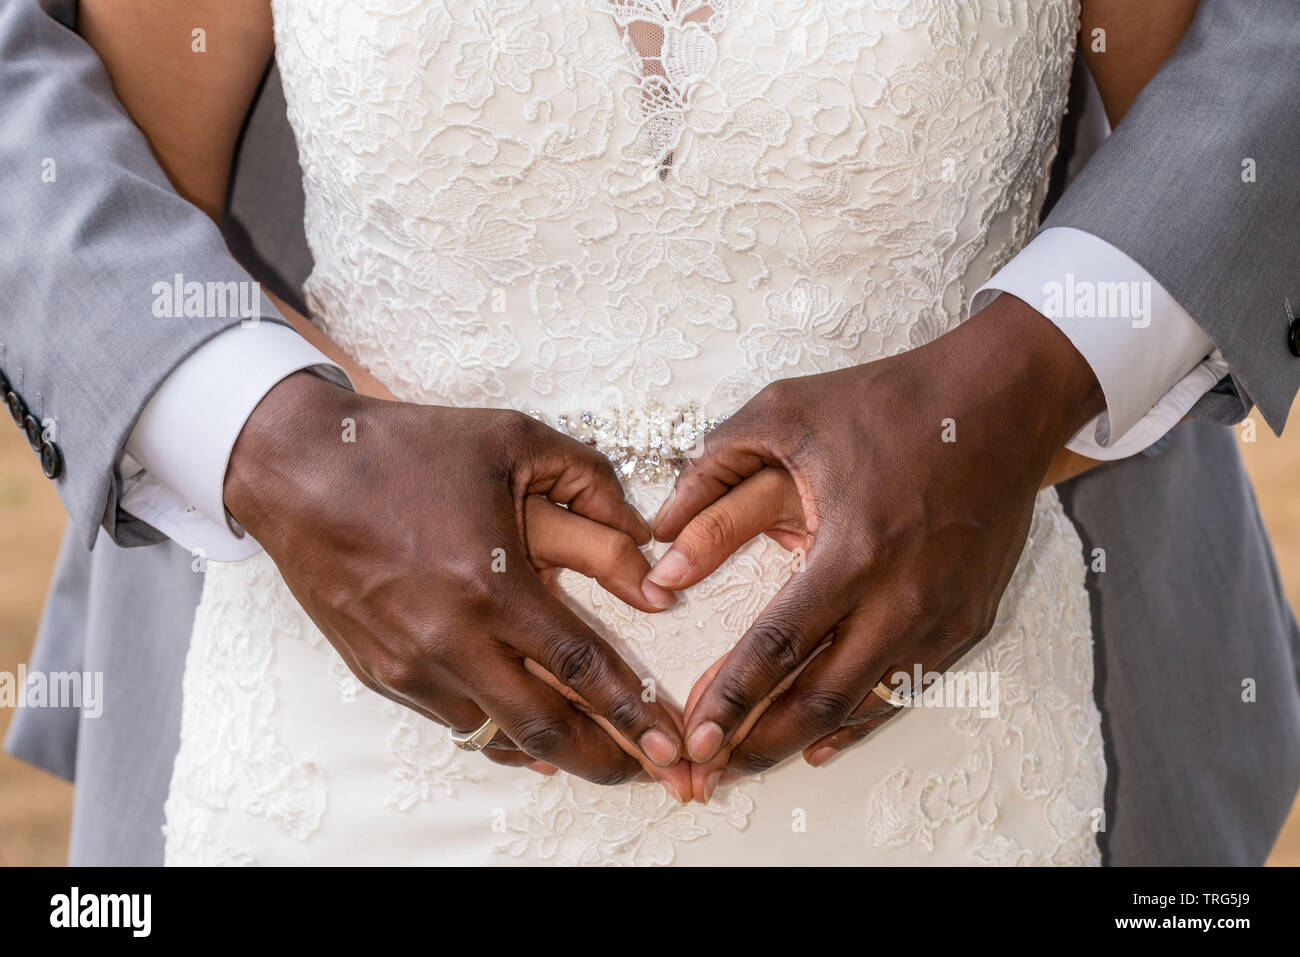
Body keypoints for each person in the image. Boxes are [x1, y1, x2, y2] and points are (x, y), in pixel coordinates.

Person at [4, 0, 1298, 864]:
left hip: (959, 760)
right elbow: (111, 150)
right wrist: (267, 434)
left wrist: (1024, 387)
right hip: (345, 758)